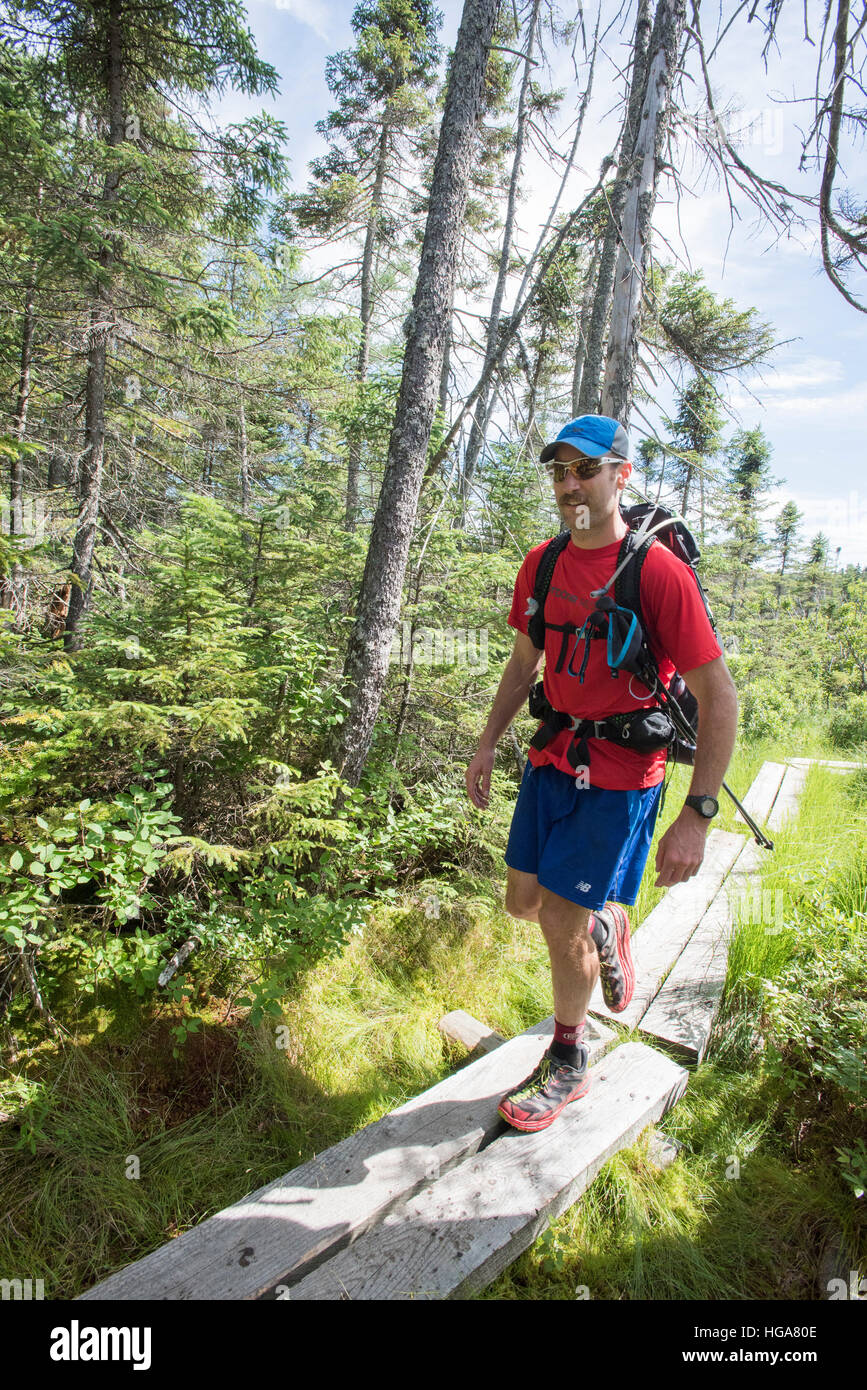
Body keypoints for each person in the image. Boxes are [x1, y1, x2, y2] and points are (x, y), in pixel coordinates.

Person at [465, 414, 738, 1133]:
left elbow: (719, 698)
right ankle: (608, 921)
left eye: (584, 469)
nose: (569, 483)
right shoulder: (543, 562)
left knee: (558, 921)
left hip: (621, 774)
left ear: (620, 475)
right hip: (551, 757)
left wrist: (696, 815)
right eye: (558, 471)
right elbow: (524, 664)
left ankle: (567, 1058)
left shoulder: (657, 572)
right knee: (522, 902)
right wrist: (488, 741)